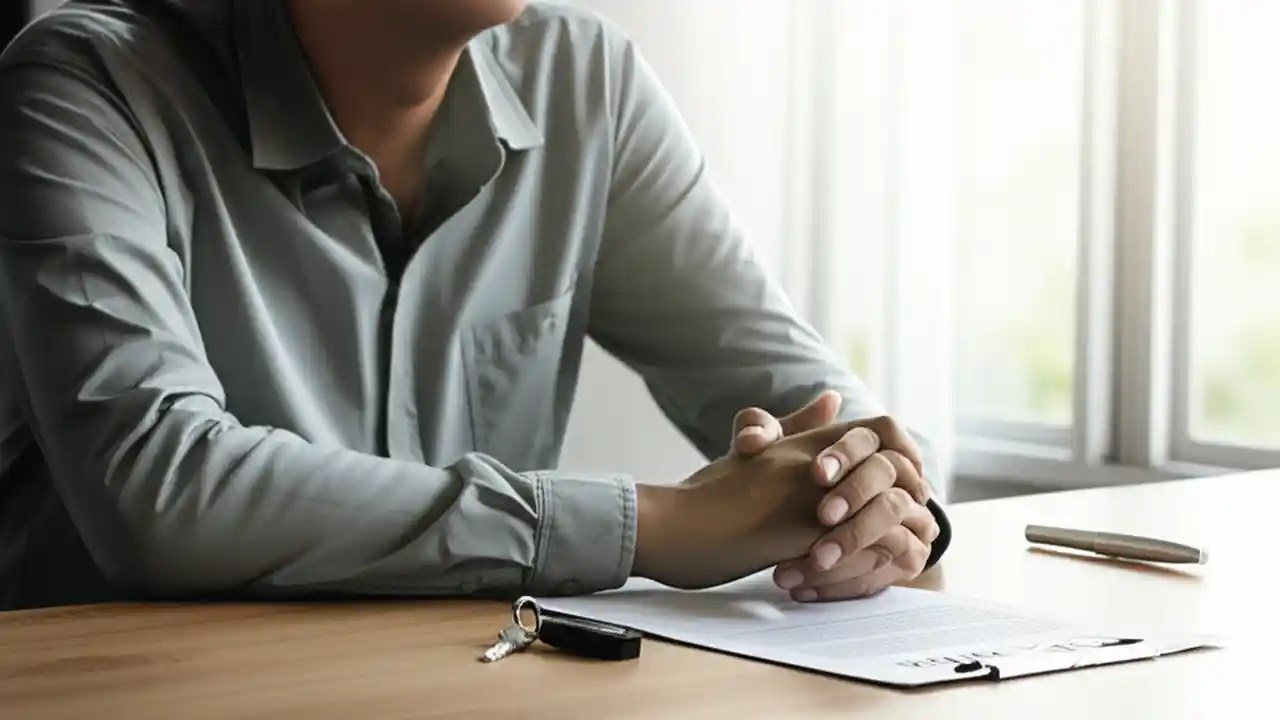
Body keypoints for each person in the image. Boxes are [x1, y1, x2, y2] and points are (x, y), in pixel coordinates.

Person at [0, 0, 950, 611]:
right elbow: (155, 489)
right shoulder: (84, 86)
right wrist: (654, 526)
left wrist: (878, 507)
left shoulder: (588, 84)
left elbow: (812, 401)